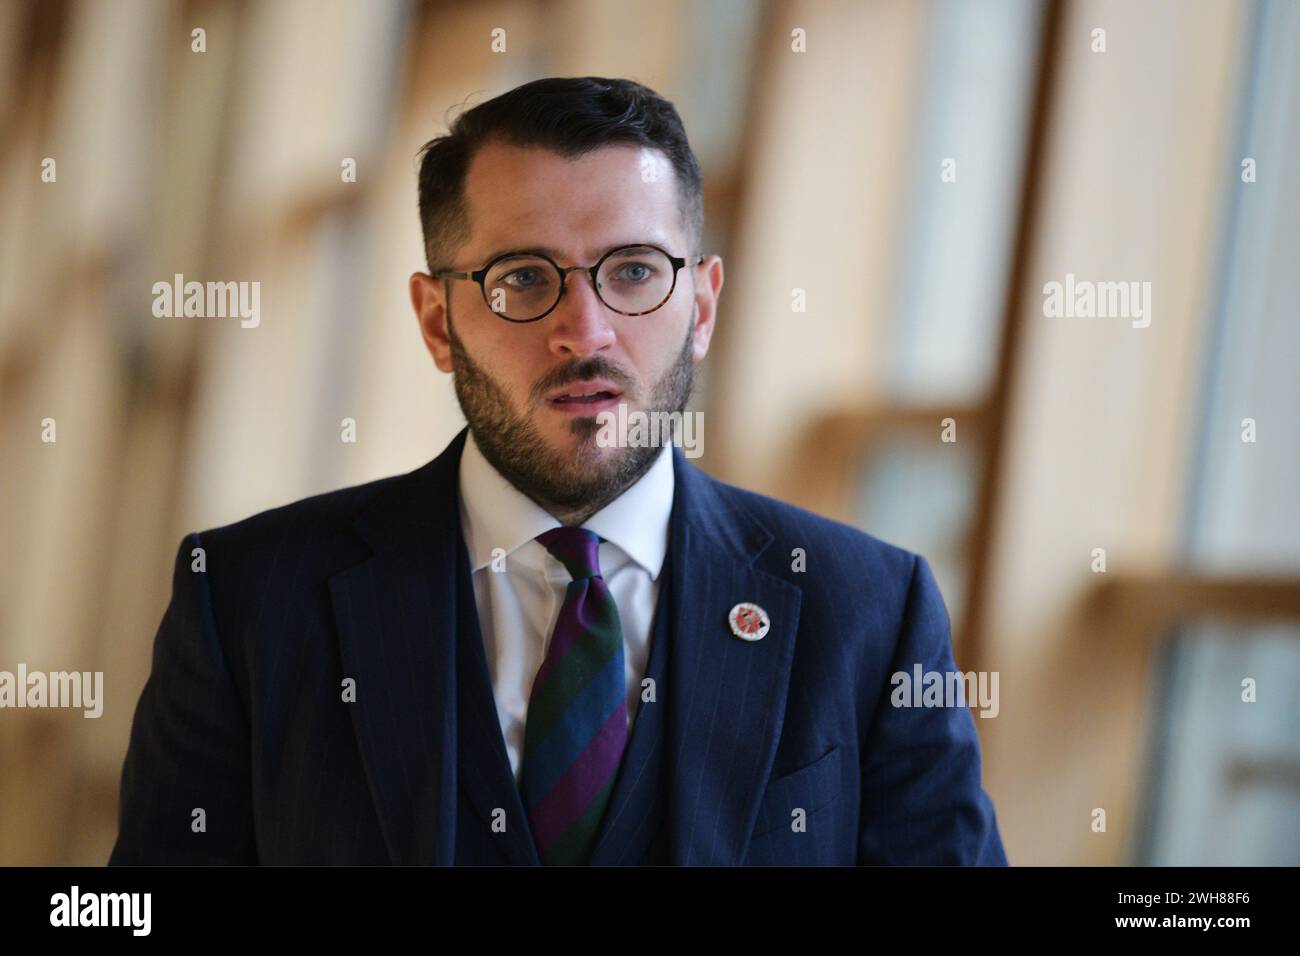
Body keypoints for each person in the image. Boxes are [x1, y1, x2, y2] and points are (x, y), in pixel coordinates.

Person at [109, 76, 1007, 866]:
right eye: (524, 279)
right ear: (436, 322)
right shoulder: (249, 604)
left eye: (634, 271)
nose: (586, 331)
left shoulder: (870, 615)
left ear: (701, 305)